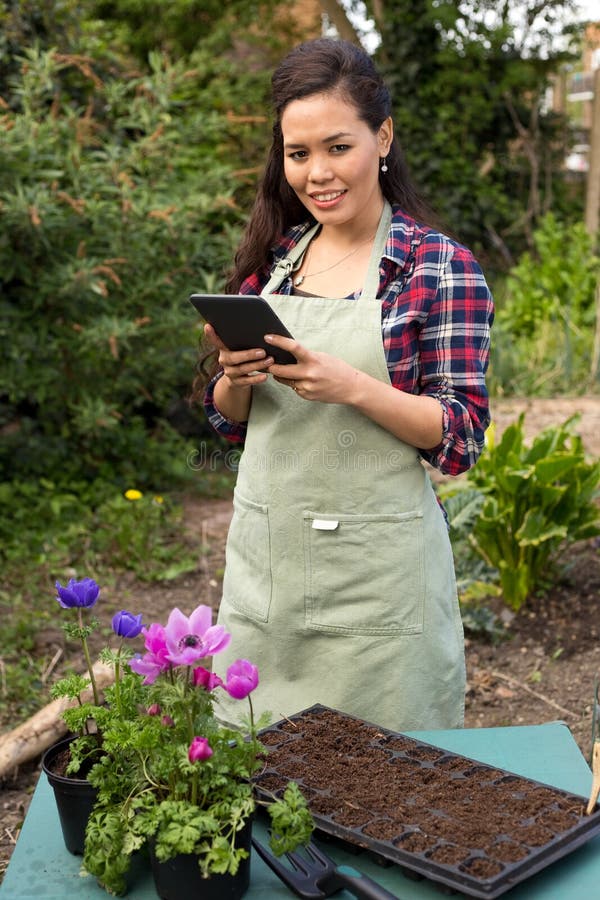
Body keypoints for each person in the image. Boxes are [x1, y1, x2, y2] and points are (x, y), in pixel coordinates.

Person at [198, 37, 494, 733]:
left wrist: (353, 385)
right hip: (269, 583)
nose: (316, 173)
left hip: (379, 597)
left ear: (382, 137)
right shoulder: (276, 261)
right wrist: (232, 379)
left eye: (338, 147)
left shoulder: (437, 269)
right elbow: (230, 425)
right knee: (257, 783)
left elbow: (460, 440)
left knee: (391, 790)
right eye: (298, 154)